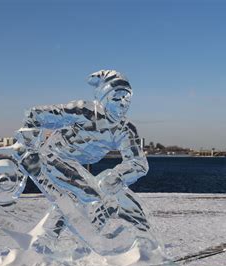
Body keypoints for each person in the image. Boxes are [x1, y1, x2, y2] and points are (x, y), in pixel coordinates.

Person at [13, 70, 153, 254]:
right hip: (55, 155)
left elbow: (138, 162)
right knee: (89, 195)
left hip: (78, 165)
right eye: (117, 98)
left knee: (95, 193)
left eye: (127, 98)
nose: (123, 103)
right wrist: (29, 145)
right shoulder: (84, 111)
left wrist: (117, 175)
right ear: (103, 98)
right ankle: (83, 240)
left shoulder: (125, 129)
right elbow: (36, 114)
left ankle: (49, 240)